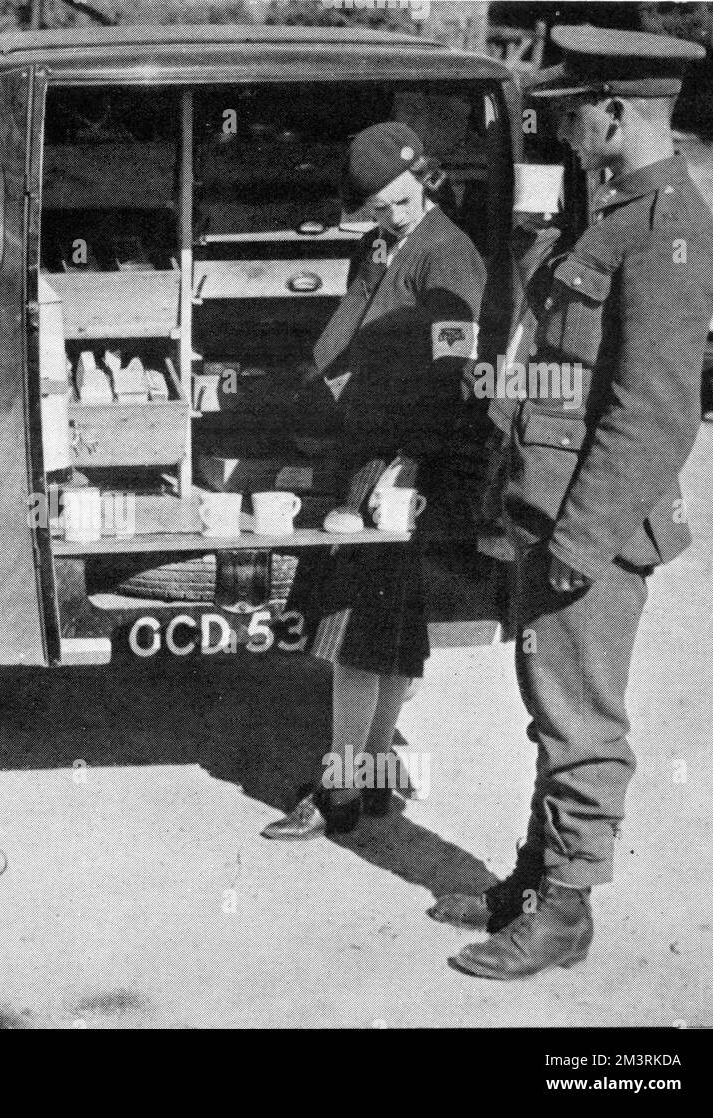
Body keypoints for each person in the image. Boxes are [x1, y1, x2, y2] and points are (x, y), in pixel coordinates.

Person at [430, 26, 713, 979]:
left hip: (588, 527)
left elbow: (651, 417)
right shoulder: (610, 212)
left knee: (582, 724)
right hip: (548, 509)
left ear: (614, 113)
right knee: (547, 704)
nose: (561, 128)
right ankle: (533, 880)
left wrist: (581, 540)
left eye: (570, 111)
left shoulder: (669, 233)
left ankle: (564, 917)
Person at [262, 122, 486, 840]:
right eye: (375, 208)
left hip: (405, 460)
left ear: (426, 178)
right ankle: (371, 780)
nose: (387, 216)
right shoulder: (380, 246)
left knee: (353, 622)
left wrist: (407, 464)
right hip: (369, 444)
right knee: (389, 623)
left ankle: (338, 793)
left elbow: (453, 360)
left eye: (396, 201)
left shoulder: (449, 254)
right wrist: (308, 391)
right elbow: (352, 321)